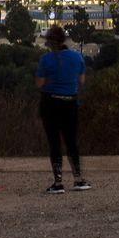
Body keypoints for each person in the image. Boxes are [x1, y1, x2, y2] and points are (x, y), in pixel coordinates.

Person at [36, 24, 89, 194]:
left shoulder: (46, 60)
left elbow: (39, 84)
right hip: (70, 103)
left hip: (51, 103)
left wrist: (52, 82)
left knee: (54, 143)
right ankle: (79, 179)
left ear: (50, 42)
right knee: (71, 141)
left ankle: (58, 182)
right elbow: (81, 81)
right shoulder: (77, 58)